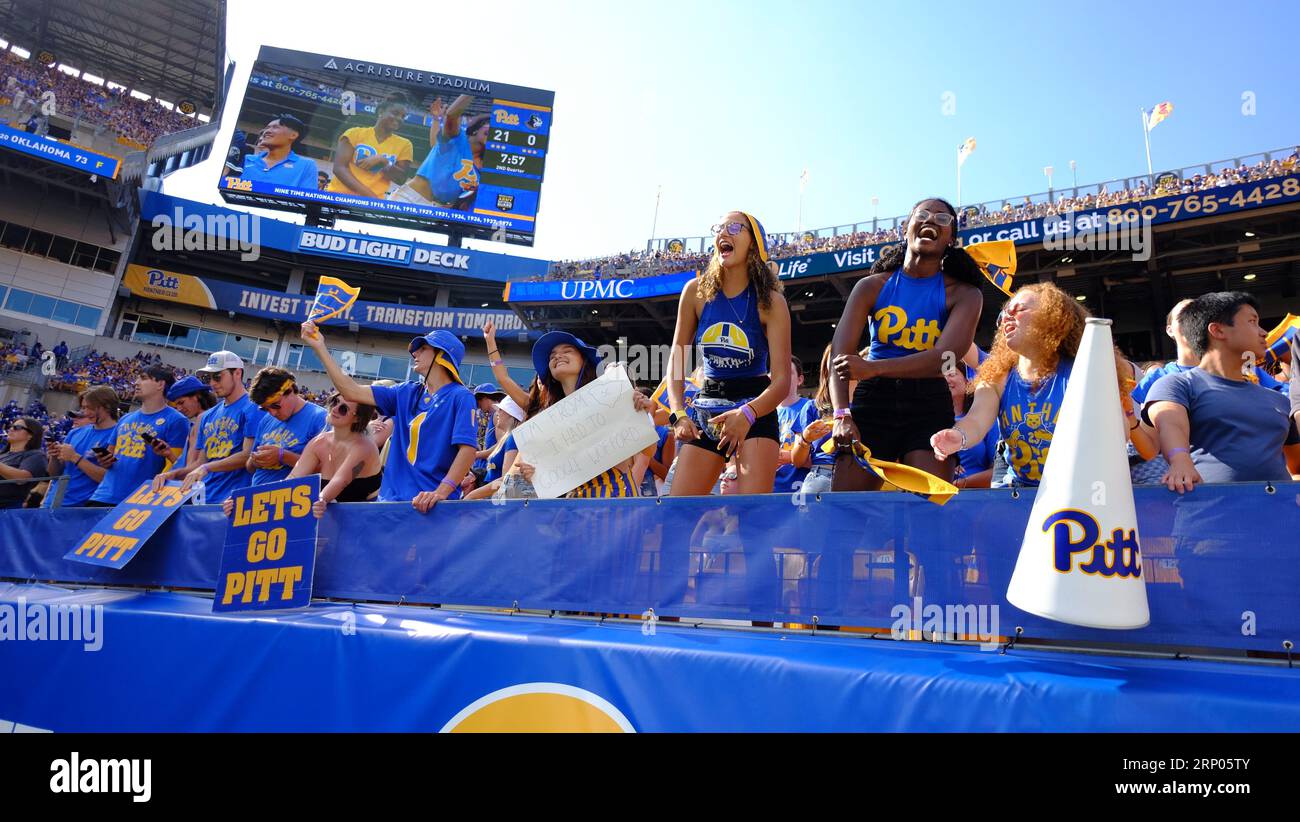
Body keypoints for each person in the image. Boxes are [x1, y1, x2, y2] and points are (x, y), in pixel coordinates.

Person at [828, 198, 984, 490]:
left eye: (942, 219)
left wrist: (873, 368)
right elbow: (839, 354)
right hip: (872, 402)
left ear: (951, 239)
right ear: (906, 227)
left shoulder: (966, 294)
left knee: (929, 513)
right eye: (923, 214)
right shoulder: (871, 286)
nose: (931, 221)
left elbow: (945, 358)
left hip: (929, 402)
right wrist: (841, 415)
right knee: (846, 511)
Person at [930, 283, 1152, 487]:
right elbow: (977, 420)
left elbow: (1118, 436)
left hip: (1080, 493)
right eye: (1004, 312)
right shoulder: (997, 375)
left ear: (1054, 316)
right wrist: (959, 436)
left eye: (1019, 310)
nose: (1007, 316)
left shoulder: (1085, 368)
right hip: (1020, 493)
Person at [666, 211, 792, 496]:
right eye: (719, 227)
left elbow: (782, 381)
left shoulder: (771, 302)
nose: (724, 232)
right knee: (678, 515)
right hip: (707, 406)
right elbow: (675, 362)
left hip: (755, 407)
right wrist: (678, 414)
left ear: (754, 244)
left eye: (735, 227)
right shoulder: (694, 292)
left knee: (752, 522)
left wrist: (747, 414)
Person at [300, 320, 476, 513]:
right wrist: (320, 347)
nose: (414, 353)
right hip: (390, 504)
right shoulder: (405, 392)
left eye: (423, 348)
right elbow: (351, 391)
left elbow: (467, 450)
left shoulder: (461, 397)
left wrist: (441, 492)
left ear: (443, 356)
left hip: (432, 508)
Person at [1145, 291, 1300, 492]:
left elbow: (1295, 466)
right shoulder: (1177, 385)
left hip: (1280, 516)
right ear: (1217, 330)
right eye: (1252, 322)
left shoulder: (1279, 399)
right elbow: (1170, 423)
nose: (1264, 332)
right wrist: (1179, 459)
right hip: (1210, 517)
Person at [501, 331, 656, 498]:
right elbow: (548, 479)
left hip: (613, 498)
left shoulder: (611, 397)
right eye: (552, 355)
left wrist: (643, 417)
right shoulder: (546, 421)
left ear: (585, 361)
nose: (558, 356)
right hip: (572, 507)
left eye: (567, 351)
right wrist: (534, 475)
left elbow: (647, 451)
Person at [223, 392, 383, 518]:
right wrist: (246, 501)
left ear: (358, 418)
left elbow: (340, 482)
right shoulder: (319, 442)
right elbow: (291, 481)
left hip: (365, 526)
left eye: (343, 408)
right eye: (334, 402)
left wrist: (321, 499)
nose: (334, 409)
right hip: (332, 523)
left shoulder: (364, 447)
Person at [157, 351, 265, 504]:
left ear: (237, 373)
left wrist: (207, 468)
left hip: (230, 501)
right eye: (208, 378)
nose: (212, 383)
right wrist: (173, 474)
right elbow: (200, 463)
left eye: (218, 376)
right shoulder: (208, 415)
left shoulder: (253, 407)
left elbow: (248, 455)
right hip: (202, 497)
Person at [90, 366, 190, 506]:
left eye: (143, 378)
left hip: (139, 500)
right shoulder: (125, 419)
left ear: (160, 384)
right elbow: (110, 456)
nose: (136, 382)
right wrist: (104, 460)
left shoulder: (177, 421)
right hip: (103, 495)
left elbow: (177, 465)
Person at [391, 95, 488, 208]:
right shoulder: (458, 138)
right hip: (409, 198)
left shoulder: (483, 171)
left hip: (437, 211)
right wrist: (474, 88)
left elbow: (460, 202)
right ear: (477, 128)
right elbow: (451, 115)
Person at [245, 367, 328, 486]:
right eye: (265, 408)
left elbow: (328, 470)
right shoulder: (266, 420)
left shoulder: (320, 419)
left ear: (290, 390)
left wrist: (283, 456)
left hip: (294, 500)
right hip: (259, 499)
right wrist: (255, 460)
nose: (272, 413)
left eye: (275, 405)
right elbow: (249, 467)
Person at [325, 92, 414, 198]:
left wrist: (384, 161)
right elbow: (339, 168)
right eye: (395, 113)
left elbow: (401, 179)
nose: (399, 118)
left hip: (371, 205)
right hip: (339, 196)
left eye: (403, 116)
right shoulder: (354, 133)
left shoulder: (405, 144)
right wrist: (370, 197)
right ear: (381, 112)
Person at [44, 386, 117, 506]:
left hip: (80, 510)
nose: (86, 412)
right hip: (52, 503)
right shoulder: (75, 432)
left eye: (90, 408)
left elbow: (108, 479)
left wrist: (75, 457)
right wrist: (54, 457)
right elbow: (55, 474)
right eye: (83, 407)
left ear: (107, 407)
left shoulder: (118, 435)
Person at [789, 343, 836, 494]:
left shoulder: (865, 406)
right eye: (834, 360)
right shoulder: (812, 407)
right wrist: (805, 439)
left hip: (860, 477)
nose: (840, 364)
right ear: (825, 369)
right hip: (822, 474)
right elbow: (797, 460)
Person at [773, 356, 819, 494]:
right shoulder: (763, 413)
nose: (782, 377)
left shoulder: (812, 408)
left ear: (800, 380)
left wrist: (790, 457)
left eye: (788, 372)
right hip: (770, 491)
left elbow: (823, 460)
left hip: (801, 491)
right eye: (776, 372)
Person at [236, 115, 319, 190]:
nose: (267, 131)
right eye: (267, 128)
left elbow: (306, 199)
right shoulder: (246, 159)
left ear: (293, 135)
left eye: (275, 127)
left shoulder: (307, 165)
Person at [0, 417, 47, 509]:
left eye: (17, 427)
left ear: (31, 435)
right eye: (11, 426)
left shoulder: (36, 455)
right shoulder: (3, 454)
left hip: (6, 508)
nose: (11, 429)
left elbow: (22, 478)